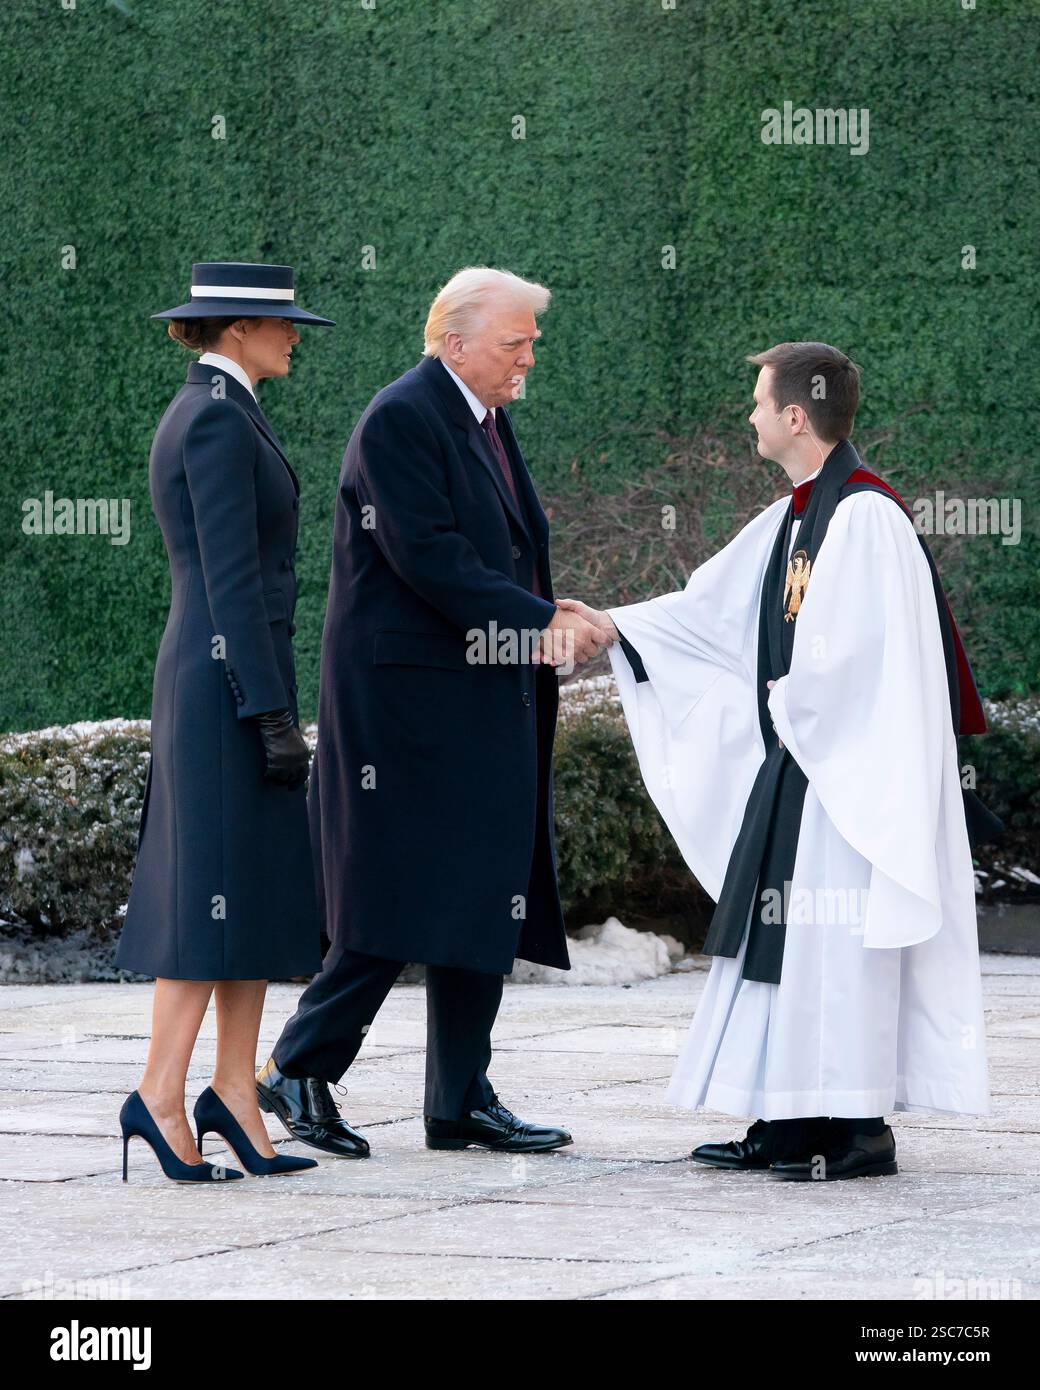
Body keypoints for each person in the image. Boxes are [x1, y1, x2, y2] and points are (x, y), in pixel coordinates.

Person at [561, 341, 1002, 1180]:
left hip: (847, 783)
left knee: (834, 953)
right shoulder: (797, 513)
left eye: (760, 404)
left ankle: (860, 1130)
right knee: (785, 947)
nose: (751, 417)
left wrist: (785, 704)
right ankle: (793, 1119)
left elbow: (861, 664)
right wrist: (614, 623)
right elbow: (710, 609)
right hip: (802, 766)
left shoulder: (866, 517)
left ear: (797, 415)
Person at [256, 267, 611, 1156]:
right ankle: (299, 1071)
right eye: (514, 341)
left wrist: (545, 615)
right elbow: (432, 558)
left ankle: (459, 1099)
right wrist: (545, 622)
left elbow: (501, 552)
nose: (529, 356)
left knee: (484, 890)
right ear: (455, 342)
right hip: (406, 711)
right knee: (394, 893)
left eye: (531, 340)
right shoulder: (403, 417)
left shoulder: (482, 417)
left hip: (479, 692)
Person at [116, 262, 333, 1182]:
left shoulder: (230, 408)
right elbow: (230, 579)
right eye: (283, 325)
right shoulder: (211, 415)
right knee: (207, 891)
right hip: (220, 685)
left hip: (239, 676)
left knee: (250, 896)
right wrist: (267, 705)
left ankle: (235, 1091)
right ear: (237, 329)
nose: (296, 337)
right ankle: (159, 1094)